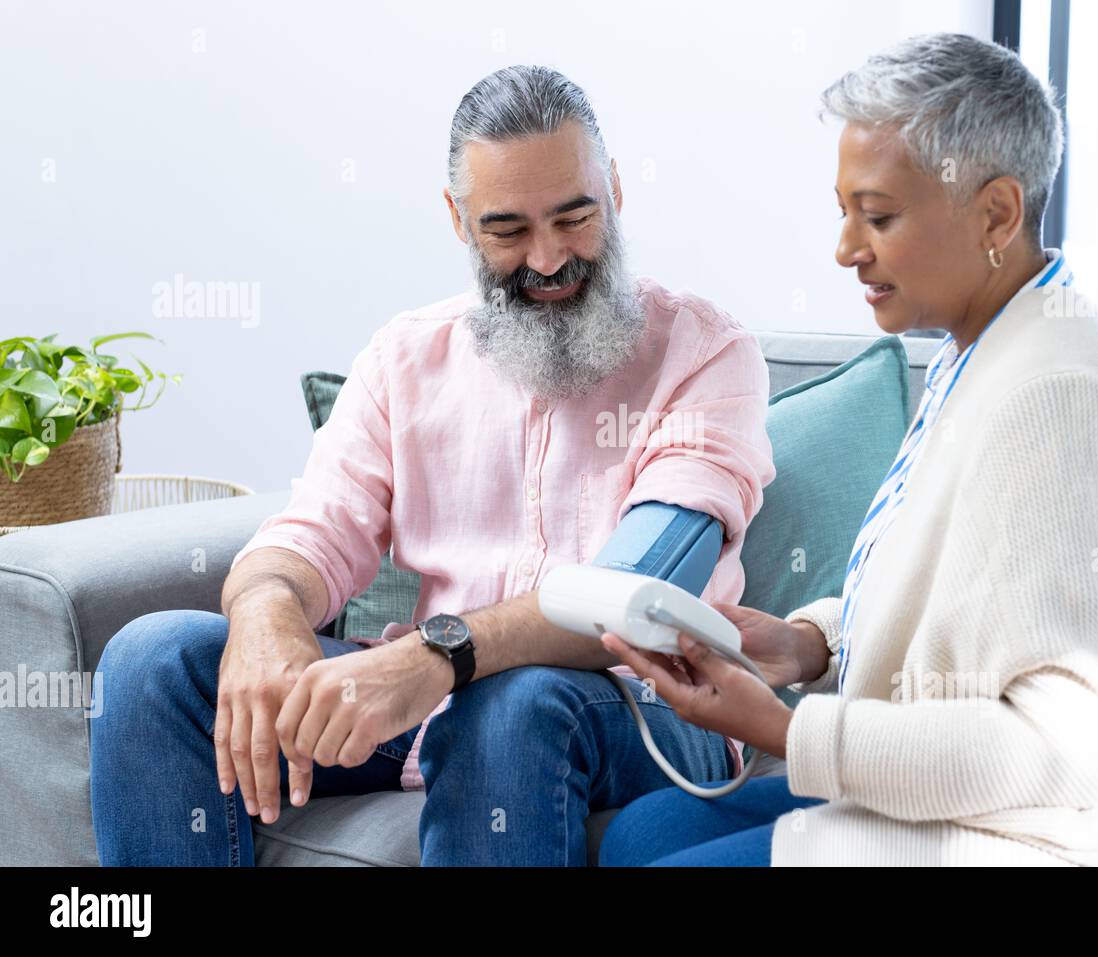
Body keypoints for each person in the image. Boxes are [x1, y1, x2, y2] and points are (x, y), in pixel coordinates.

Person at [598, 32, 1098, 867]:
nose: (846, 248)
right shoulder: (983, 347)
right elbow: (969, 602)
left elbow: (1065, 749)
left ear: (996, 213)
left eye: (878, 215)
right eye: (844, 210)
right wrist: (811, 645)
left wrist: (789, 729)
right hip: (991, 797)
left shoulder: (1062, 393)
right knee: (642, 833)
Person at [89, 65, 775, 866]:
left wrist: (437, 654)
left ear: (615, 191)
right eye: (508, 231)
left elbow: (634, 595)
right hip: (435, 696)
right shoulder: (405, 357)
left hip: (644, 708)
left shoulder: (706, 353)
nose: (547, 258)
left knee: (511, 702)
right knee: (151, 662)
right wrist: (265, 609)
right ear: (458, 219)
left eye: (574, 217)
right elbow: (313, 530)